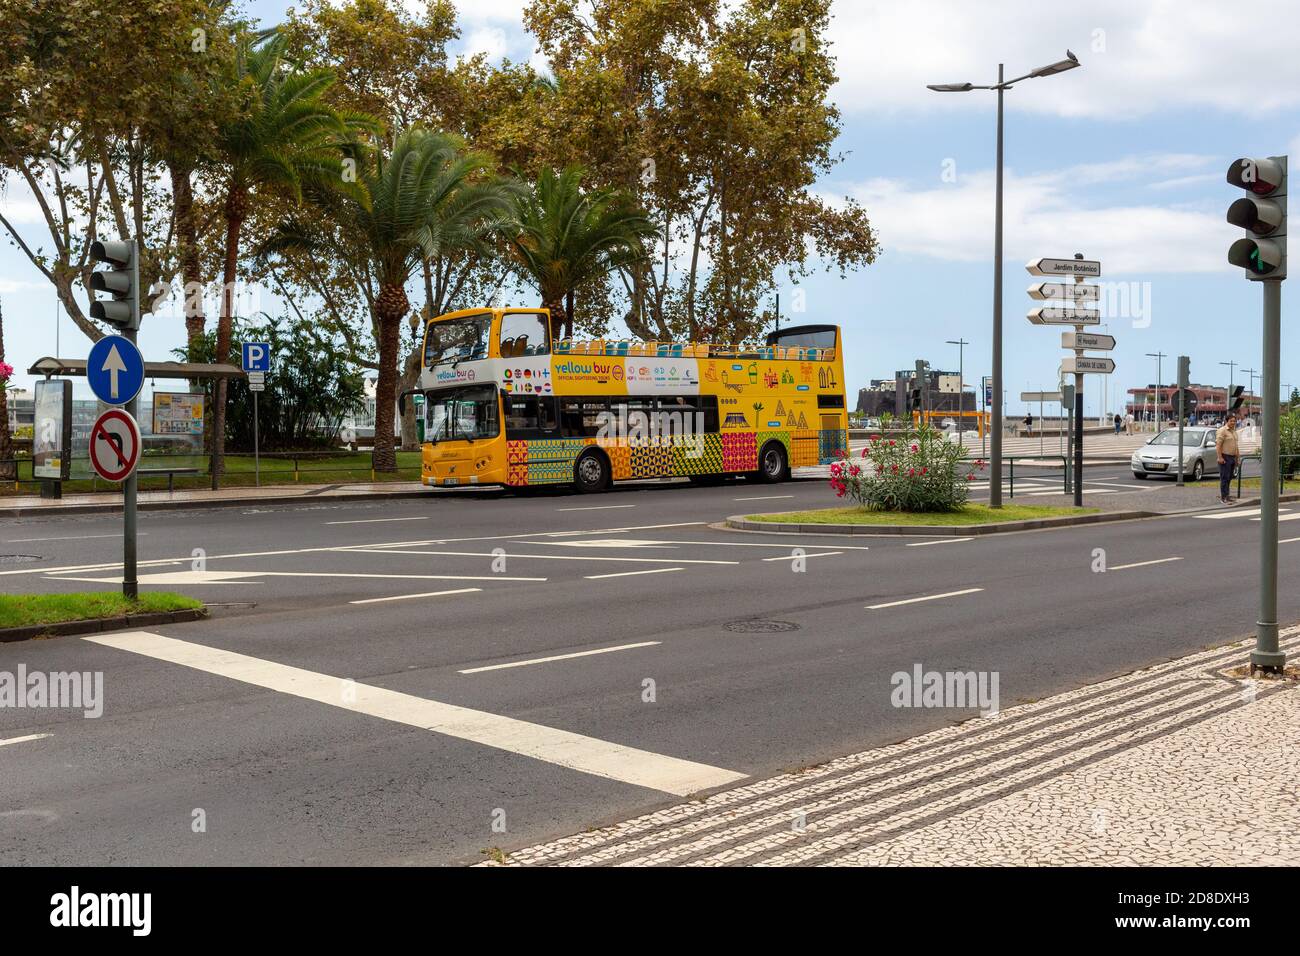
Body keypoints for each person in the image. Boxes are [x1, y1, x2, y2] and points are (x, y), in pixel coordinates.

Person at [1216, 411, 1240, 505]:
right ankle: (1223, 497)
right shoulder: (1222, 431)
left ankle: (1227, 495)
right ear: (1227, 421)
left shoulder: (1234, 432)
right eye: (1231, 421)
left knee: (1230, 477)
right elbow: (1218, 445)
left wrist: (1238, 458)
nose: (1233, 423)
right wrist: (1220, 457)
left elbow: (1236, 446)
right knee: (1224, 478)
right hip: (1225, 457)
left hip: (1232, 457)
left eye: (1234, 421)